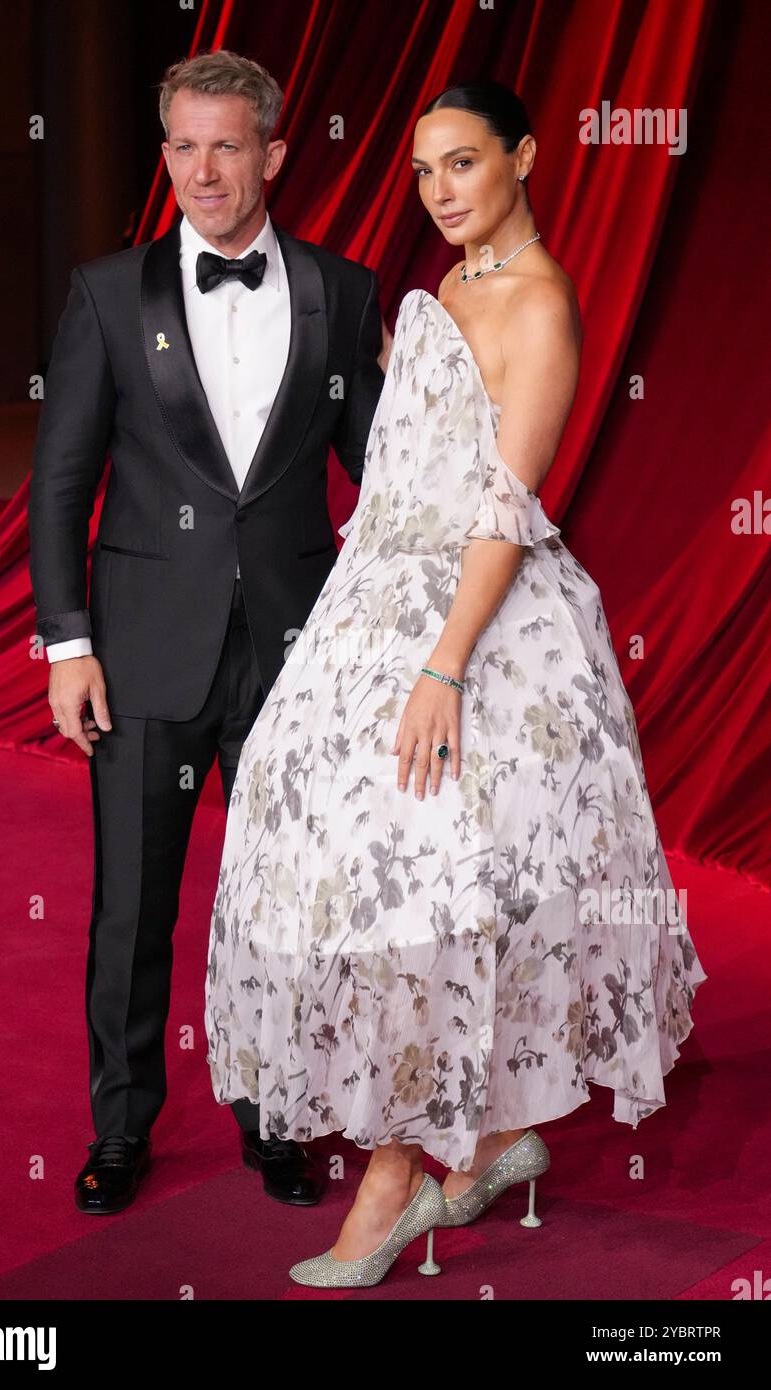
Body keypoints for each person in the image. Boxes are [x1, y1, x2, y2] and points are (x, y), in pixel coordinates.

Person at [204, 78, 708, 1287]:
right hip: (372, 601)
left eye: (463, 165)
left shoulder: (537, 303)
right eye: (425, 171)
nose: (439, 193)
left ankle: (391, 1182)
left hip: (477, 624)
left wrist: (440, 668)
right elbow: (409, 465)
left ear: (524, 158)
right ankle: (487, 1137)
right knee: (339, 857)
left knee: (427, 884)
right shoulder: (443, 293)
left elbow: (500, 509)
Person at [27, 49, 386, 1214]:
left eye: (226, 145)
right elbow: (60, 482)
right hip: (143, 648)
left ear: (272, 154)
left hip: (296, 653)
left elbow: (376, 477)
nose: (200, 170)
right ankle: (120, 1126)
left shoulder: (343, 290)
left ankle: (273, 1112)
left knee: (282, 901)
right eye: (182, 146)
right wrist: (67, 644)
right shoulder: (107, 294)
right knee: (132, 899)